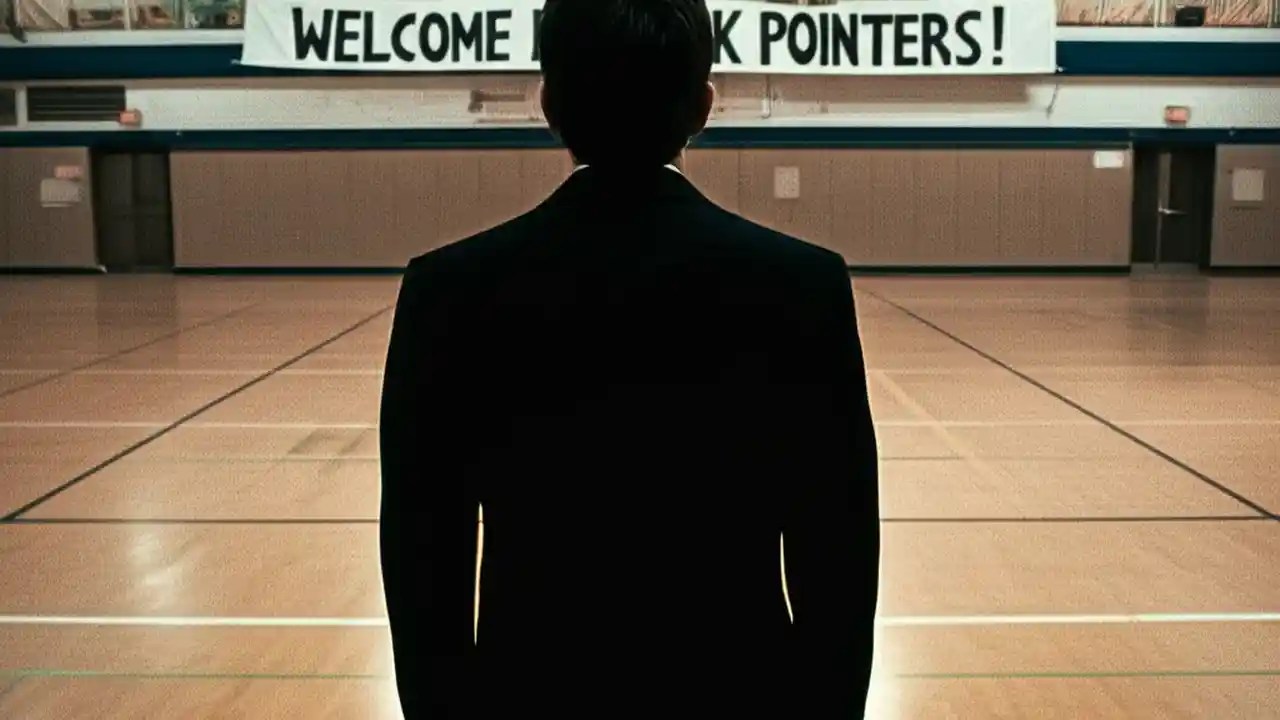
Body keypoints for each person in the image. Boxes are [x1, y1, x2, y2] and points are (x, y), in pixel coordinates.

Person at [379, 0, 880, 717]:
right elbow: (840, 566)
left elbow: (423, 570)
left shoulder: (449, 292)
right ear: (704, 105)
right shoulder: (803, 287)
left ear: (548, 103)